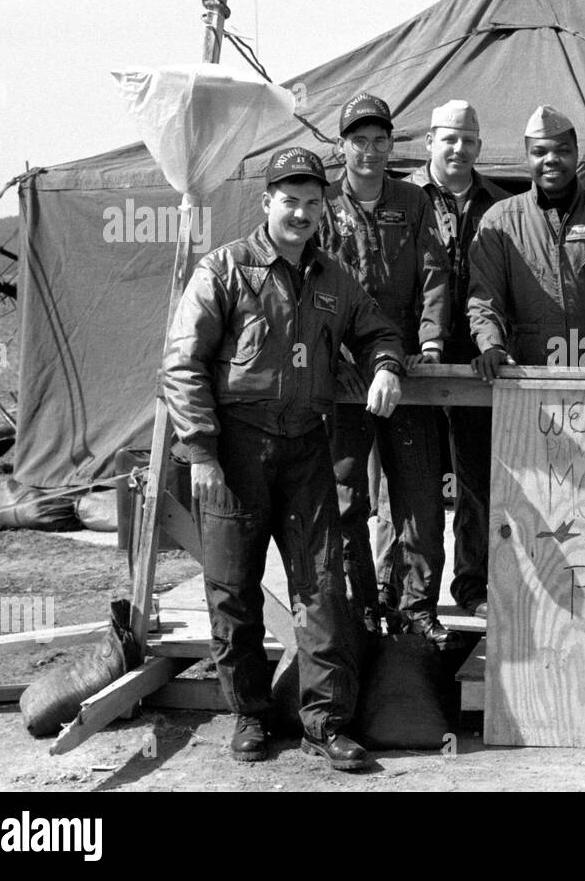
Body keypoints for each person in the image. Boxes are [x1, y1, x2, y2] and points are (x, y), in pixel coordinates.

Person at [163, 146, 407, 770]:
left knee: (323, 586)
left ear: (323, 209)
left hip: (305, 450)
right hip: (235, 453)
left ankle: (325, 723)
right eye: (289, 201)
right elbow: (182, 364)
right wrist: (202, 455)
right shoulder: (225, 269)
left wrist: (383, 365)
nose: (300, 213)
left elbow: (376, 328)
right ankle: (248, 713)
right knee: (232, 590)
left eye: (311, 202)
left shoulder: (334, 279)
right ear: (267, 203)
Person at [320, 93, 455, 647]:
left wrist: (430, 340)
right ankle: (360, 607)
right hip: (347, 374)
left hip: (409, 373)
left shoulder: (414, 201)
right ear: (342, 146)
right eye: (359, 141)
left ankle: (416, 607)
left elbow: (434, 273)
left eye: (380, 141)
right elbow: (315, 287)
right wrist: (335, 358)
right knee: (348, 497)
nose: (370, 152)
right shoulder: (322, 207)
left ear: (392, 145)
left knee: (419, 494)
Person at [404, 100, 510, 619]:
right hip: (412, 357)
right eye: (449, 139)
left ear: (479, 147)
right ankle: (405, 594)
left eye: (469, 140)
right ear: (429, 142)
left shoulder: (500, 202)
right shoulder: (402, 195)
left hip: (477, 360)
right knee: (408, 484)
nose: (459, 149)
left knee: (478, 482)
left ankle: (474, 586)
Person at [468, 104, 585, 381]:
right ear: (527, 157)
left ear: (576, 154)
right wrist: (491, 345)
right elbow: (484, 297)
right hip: (526, 374)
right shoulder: (500, 223)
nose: (551, 159)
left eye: (562, 150)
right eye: (539, 152)